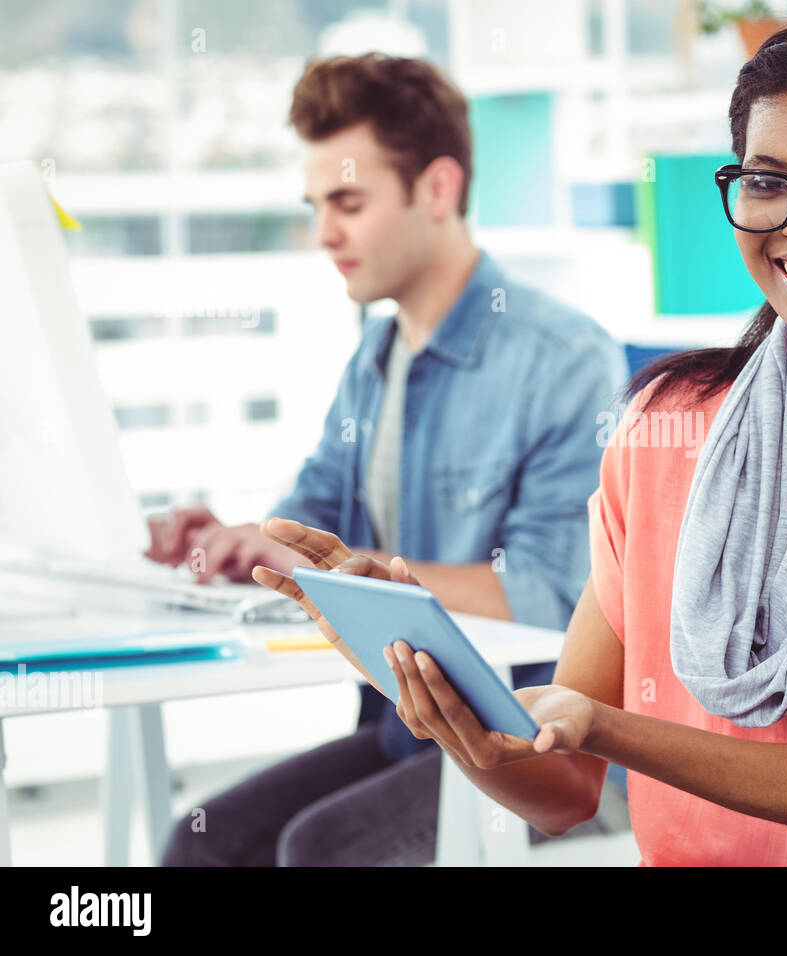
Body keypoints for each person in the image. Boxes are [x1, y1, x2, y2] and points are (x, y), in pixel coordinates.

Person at [256, 14, 787, 865]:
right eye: (770, 183)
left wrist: (602, 724)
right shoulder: (666, 428)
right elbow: (564, 791)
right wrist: (442, 692)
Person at [155, 53, 628, 865]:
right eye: (316, 206)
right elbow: (315, 522)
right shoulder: (376, 355)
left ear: (437, 189)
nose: (324, 232)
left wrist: (358, 569)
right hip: (410, 730)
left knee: (319, 850)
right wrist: (242, 539)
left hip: (536, 750)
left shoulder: (563, 358)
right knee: (205, 843)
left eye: (347, 202)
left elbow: (551, 594)